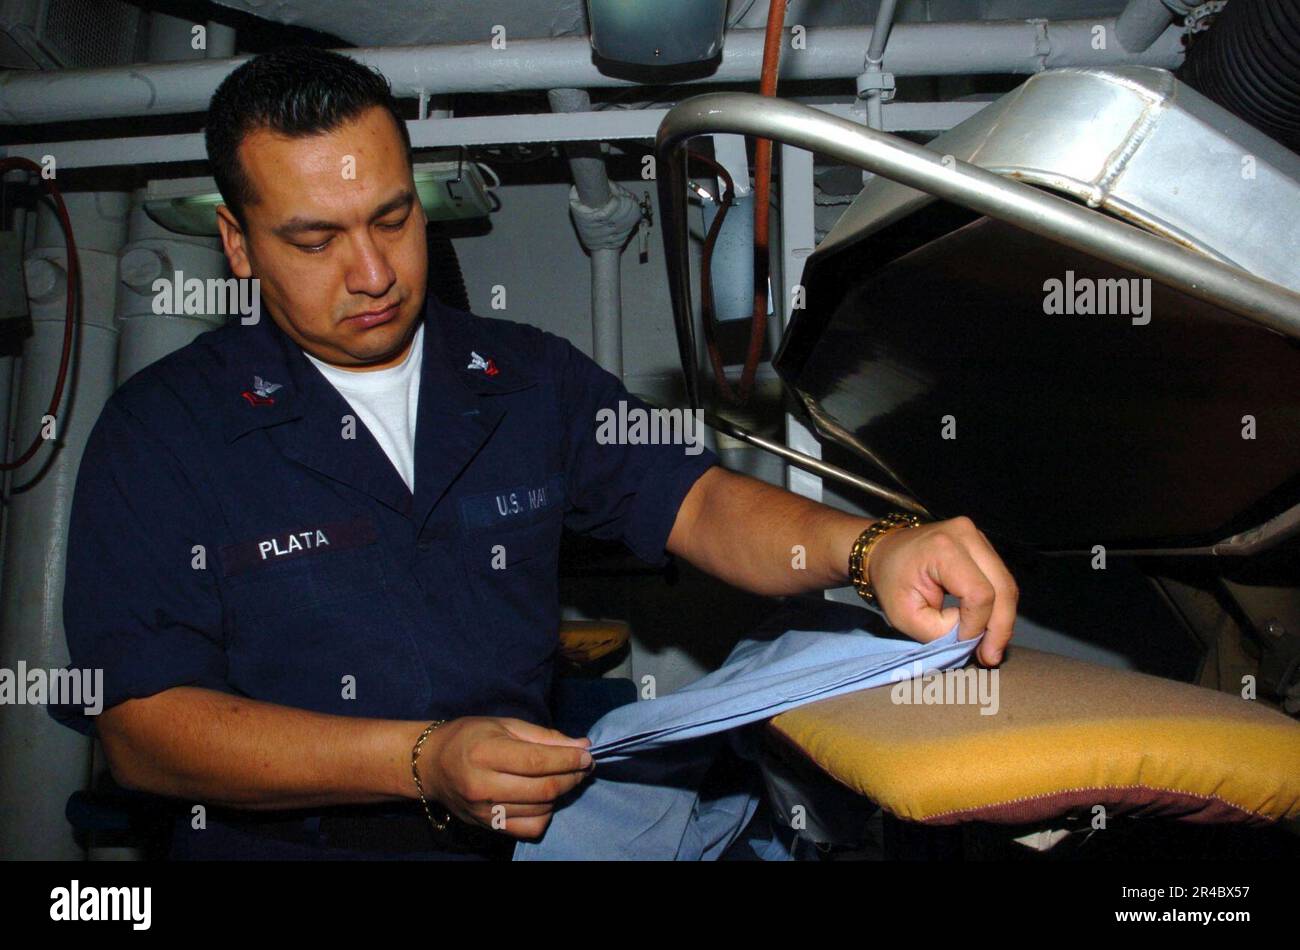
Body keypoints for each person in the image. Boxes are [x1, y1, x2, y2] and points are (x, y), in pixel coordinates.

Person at [50, 46, 1018, 860]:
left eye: (393, 216)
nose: (375, 272)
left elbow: (698, 502)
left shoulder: (523, 377)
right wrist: (422, 758)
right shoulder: (161, 433)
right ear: (238, 242)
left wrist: (873, 548)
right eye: (315, 239)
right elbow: (146, 730)